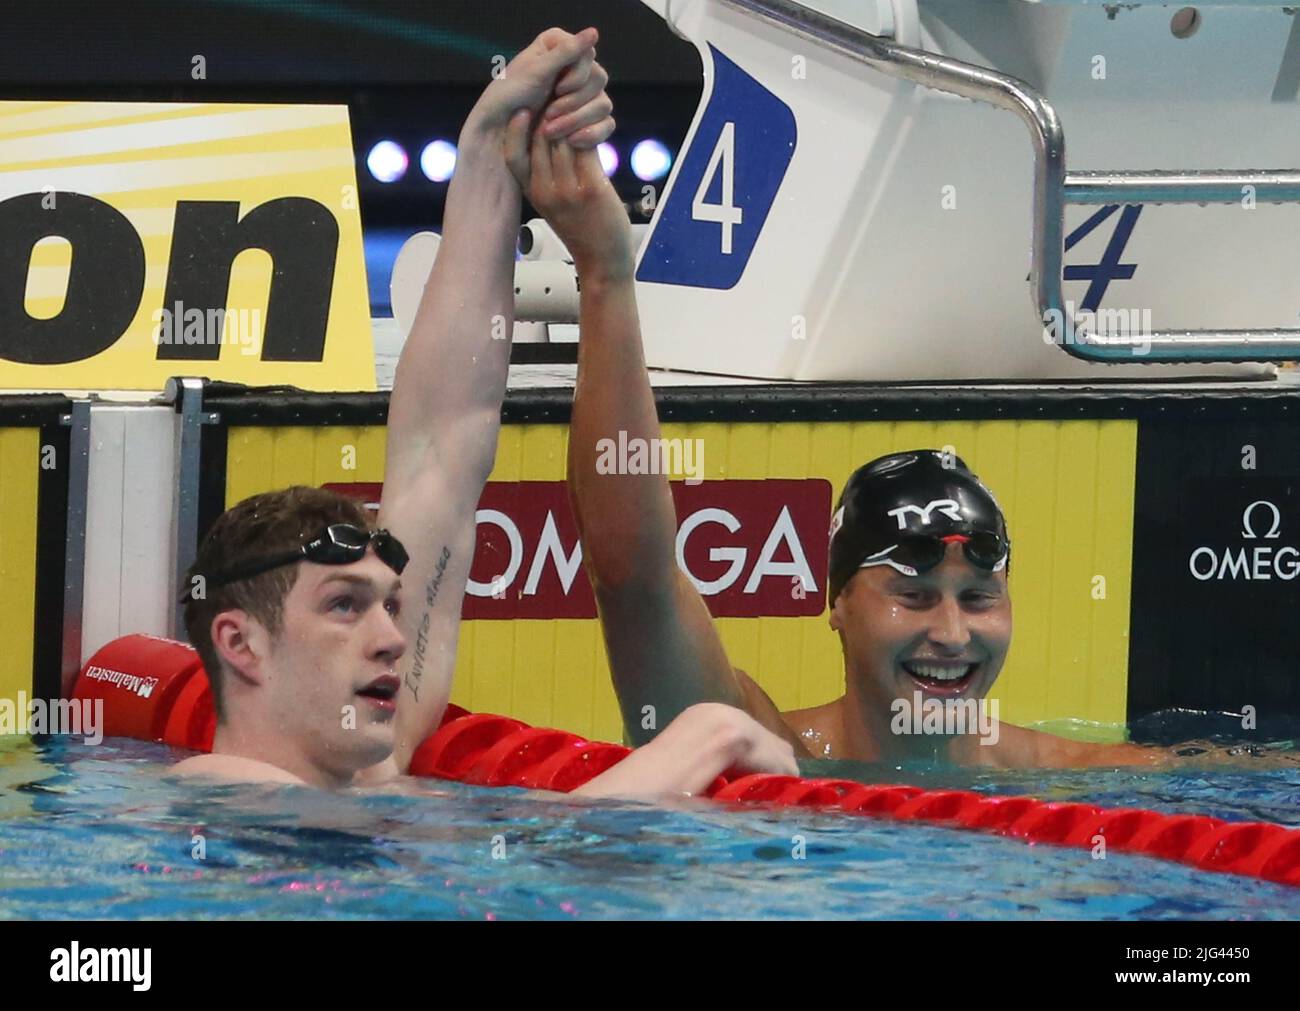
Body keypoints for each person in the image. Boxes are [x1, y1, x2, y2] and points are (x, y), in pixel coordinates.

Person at [169, 28, 797, 797]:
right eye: (345, 606)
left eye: (390, 604)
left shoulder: (362, 766)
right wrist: (709, 733)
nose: (394, 638)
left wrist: (492, 154)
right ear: (243, 644)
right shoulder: (232, 798)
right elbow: (539, 870)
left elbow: (442, 448)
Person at [529, 119, 1164, 769]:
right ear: (838, 603)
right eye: (913, 595)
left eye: (978, 597)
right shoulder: (772, 751)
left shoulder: (1088, 779)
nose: (952, 634)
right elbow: (634, 578)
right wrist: (604, 273)